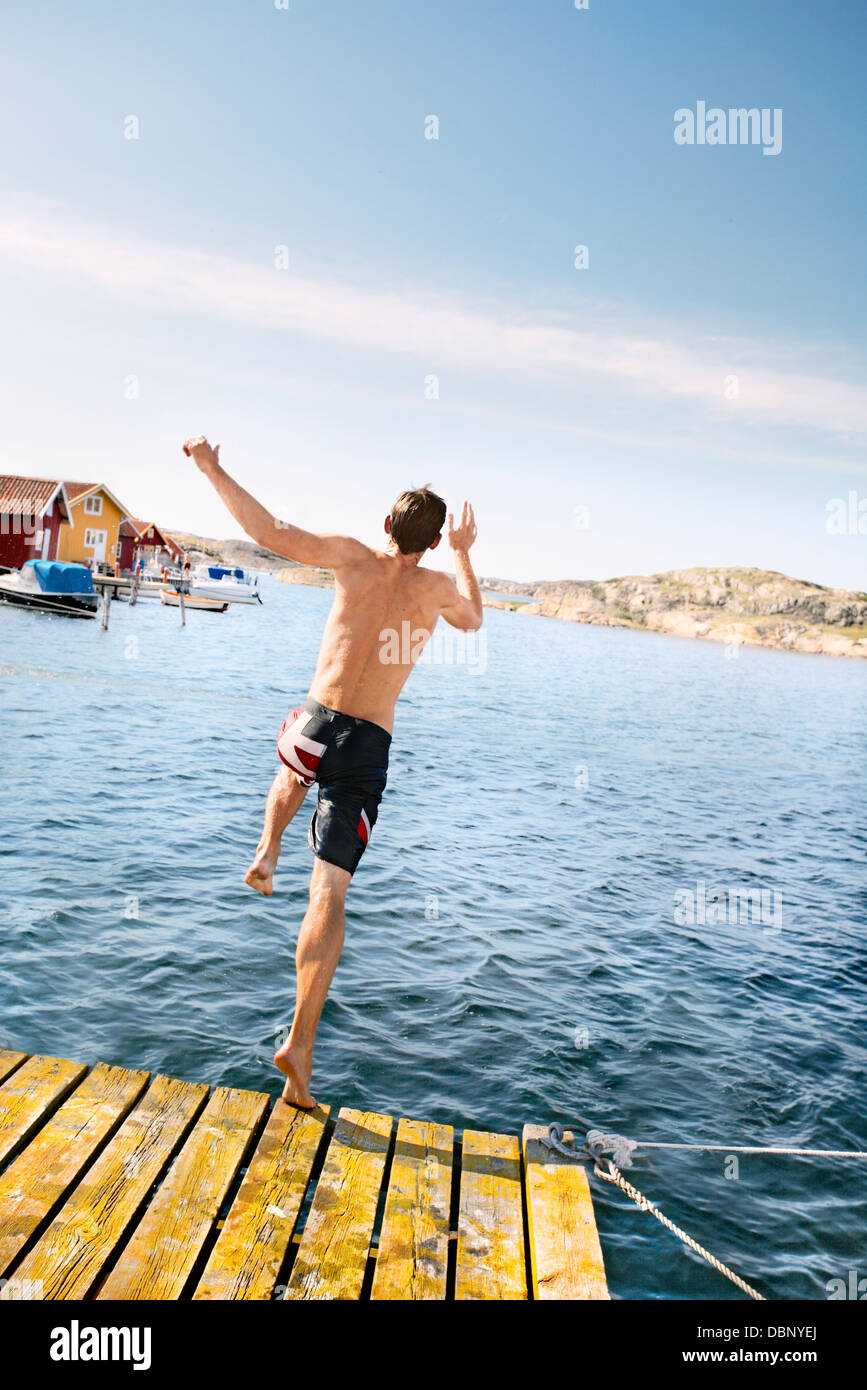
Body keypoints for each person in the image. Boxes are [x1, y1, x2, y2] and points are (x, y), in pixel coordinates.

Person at [182, 435, 483, 1108]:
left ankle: (266, 850)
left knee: (293, 753)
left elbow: (270, 532)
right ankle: (300, 1048)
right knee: (329, 895)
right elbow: (473, 619)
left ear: (384, 525)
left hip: (315, 723)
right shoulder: (437, 585)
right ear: (431, 543)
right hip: (367, 745)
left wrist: (211, 468)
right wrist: (465, 553)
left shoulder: (350, 556)